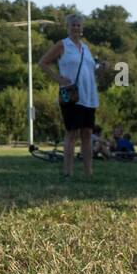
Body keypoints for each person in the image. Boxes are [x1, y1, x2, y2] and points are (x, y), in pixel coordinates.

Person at [39, 14, 102, 178]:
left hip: (89, 96)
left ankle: (89, 172)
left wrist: (102, 69)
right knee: (72, 133)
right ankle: (68, 172)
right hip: (72, 95)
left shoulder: (86, 48)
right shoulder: (62, 45)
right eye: (73, 25)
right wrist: (58, 78)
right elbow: (43, 63)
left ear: (82, 28)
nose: (76, 28)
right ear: (67, 27)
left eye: (79, 25)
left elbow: (91, 70)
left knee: (87, 133)